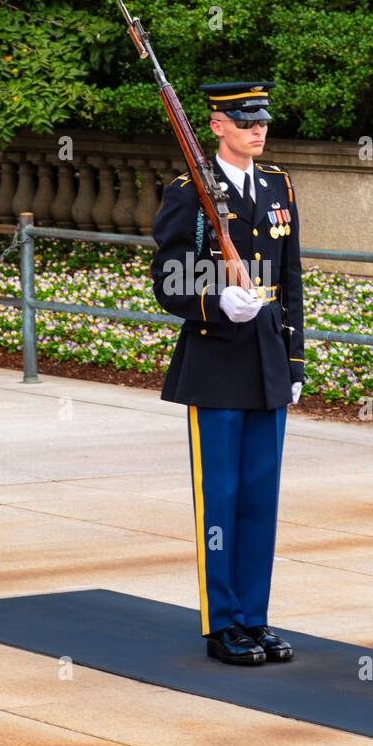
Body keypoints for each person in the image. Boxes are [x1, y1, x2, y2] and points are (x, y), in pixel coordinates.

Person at [150, 79, 305, 665]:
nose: (257, 130)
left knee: (259, 499)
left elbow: (289, 278)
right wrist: (216, 302)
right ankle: (222, 624)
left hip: (267, 362)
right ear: (217, 127)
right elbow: (168, 279)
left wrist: (293, 360)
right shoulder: (191, 191)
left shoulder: (278, 186)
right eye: (244, 121)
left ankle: (254, 616)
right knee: (221, 497)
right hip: (216, 363)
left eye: (262, 120)